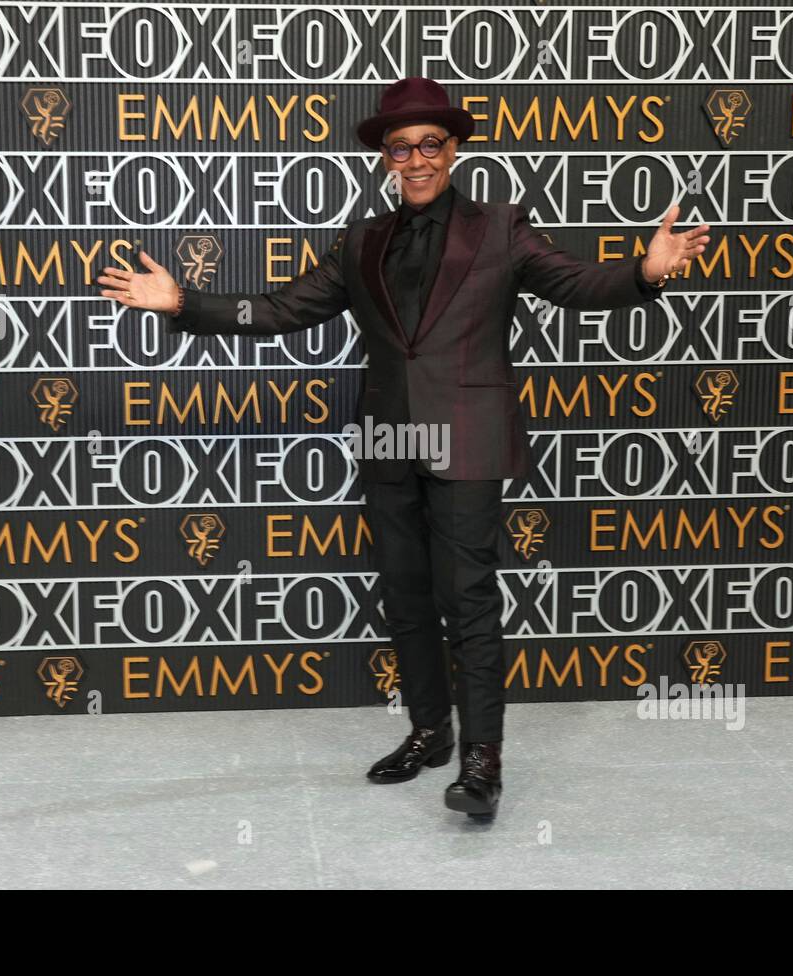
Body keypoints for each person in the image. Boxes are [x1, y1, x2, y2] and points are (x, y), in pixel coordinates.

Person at [97, 77, 710, 822]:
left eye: (430, 144)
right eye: (401, 148)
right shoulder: (364, 240)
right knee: (408, 600)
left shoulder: (502, 227)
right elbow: (285, 308)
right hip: (392, 439)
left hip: (469, 440)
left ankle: (483, 761)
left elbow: (578, 284)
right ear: (385, 158)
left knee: (469, 601)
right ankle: (430, 732)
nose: (416, 159)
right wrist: (186, 303)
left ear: (453, 149)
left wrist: (645, 272)